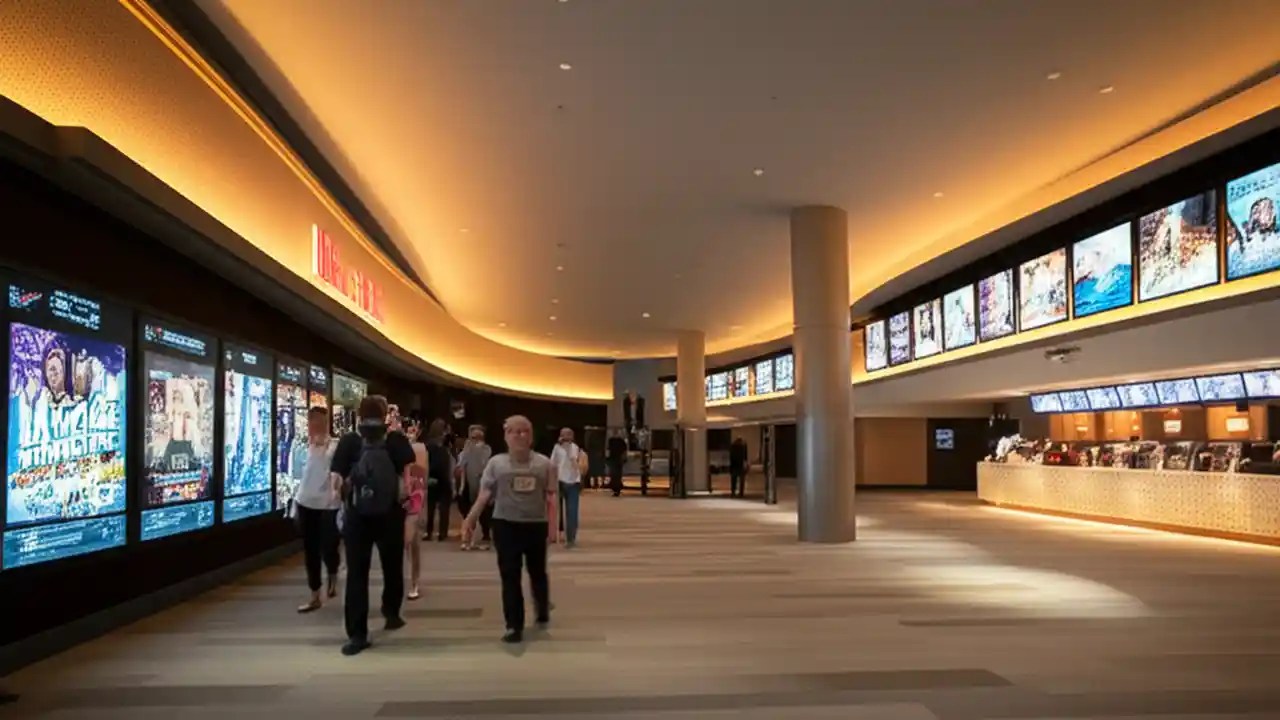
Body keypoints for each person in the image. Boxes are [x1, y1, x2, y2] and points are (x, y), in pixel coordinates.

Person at [331, 395, 416, 656]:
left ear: (358, 414)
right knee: (392, 565)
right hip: (390, 514)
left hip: (358, 515)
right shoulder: (397, 441)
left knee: (357, 572)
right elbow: (410, 479)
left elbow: (335, 481)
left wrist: (344, 501)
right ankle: (391, 612)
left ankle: (357, 634)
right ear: (385, 415)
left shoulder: (349, 442)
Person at [461, 415, 557, 643]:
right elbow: (485, 493)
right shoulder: (496, 464)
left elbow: (552, 497)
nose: (519, 435)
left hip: (535, 524)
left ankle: (542, 606)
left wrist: (554, 528)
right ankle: (514, 625)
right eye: (514, 431)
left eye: (524, 431)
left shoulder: (545, 464)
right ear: (506, 436)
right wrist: (470, 518)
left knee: (537, 572)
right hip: (505, 524)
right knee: (509, 575)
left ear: (531, 436)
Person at [294, 406, 339, 613]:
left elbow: (335, 471)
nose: (316, 426)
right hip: (305, 502)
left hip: (327, 505)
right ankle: (314, 595)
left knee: (328, 546)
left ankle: (332, 574)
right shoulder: (301, 446)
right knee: (310, 550)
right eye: (313, 421)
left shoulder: (333, 446)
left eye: (321, 421)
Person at [455, 424, 493, 550]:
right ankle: (468, 538)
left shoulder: (486, 449)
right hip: (467, 485)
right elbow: (460, 465)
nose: (473, 440)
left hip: (481, 486)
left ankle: (481, 537)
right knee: (468, 512)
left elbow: (485, 465)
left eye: (476, 437)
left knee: (481, 512)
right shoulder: (466, 451)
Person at [404, 419, 427, 600]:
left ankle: (414, 581)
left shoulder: (419, 448)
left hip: (414, 497)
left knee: (412, 541)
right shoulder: (391, 446)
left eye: (412, 429)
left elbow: (422, 472)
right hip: (397, 496)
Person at [549, 427, 584, 547]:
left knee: (571, 511)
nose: (565, 437)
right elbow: (552, 465)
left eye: (567, 435)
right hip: (562, 481)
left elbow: (573, 461)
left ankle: (570, 538)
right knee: (560, 511)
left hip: (572, 482)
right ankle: (559, 535)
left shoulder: (572, 447)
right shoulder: (557, 448)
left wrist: (577, 472)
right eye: (563, 435)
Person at [423, 419, 454, 541]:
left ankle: (429, 531)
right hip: (443, 478)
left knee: (431, 506)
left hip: (433, 477)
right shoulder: (443, 445)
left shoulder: (429, 444)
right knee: (443, 507)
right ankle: (442, 532)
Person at [606, 429, 628, 496]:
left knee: (614, 474)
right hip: (617, 459)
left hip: (614, 459)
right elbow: (624, 450)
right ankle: (617, 487)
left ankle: (616, 488)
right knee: (617, 474)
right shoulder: (620, 441)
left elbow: (608, 449)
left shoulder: (611, 441)